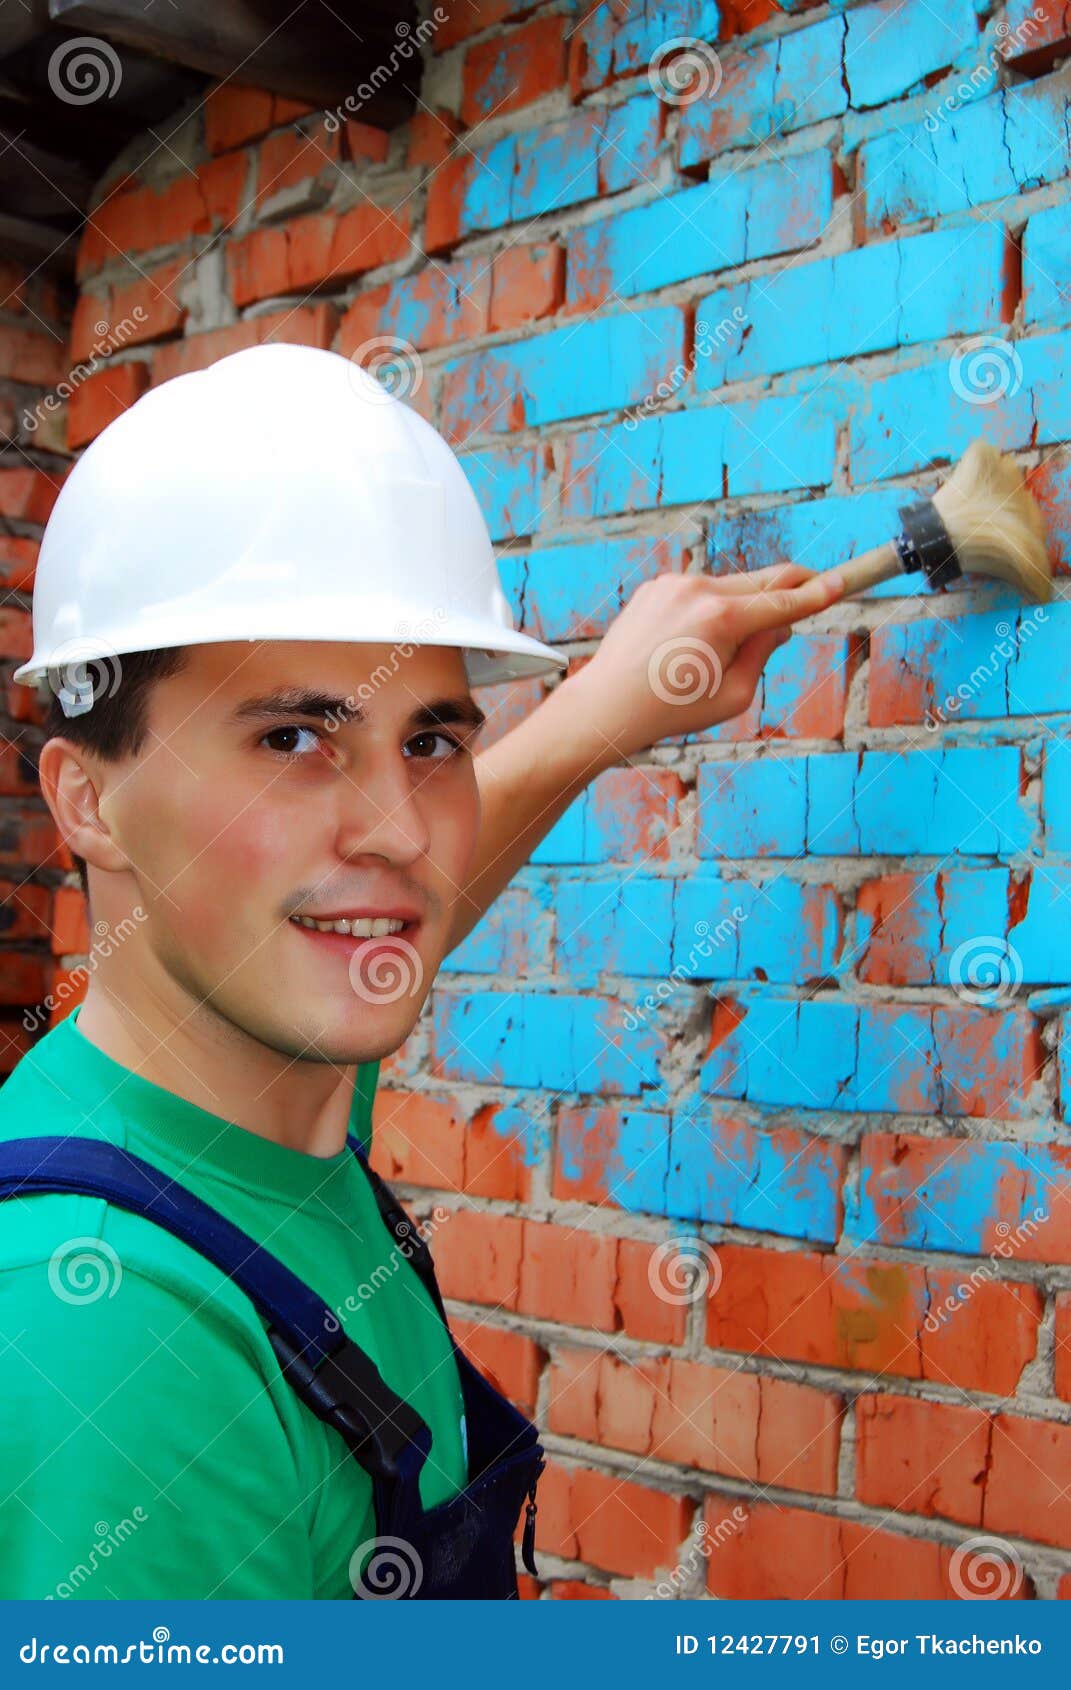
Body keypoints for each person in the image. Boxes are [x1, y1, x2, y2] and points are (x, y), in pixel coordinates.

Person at [0, 342, 846, 1599]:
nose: (400, 829)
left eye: (433, 736)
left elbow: (370, 905)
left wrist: (615, 703)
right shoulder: (120, 1335)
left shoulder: (250, 1088)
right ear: (90, 800)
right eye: (292, 737)